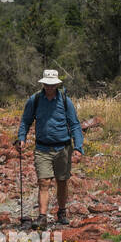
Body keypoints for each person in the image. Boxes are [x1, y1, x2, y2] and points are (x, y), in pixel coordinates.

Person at [15, 68, 83, 228]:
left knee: (62, 181)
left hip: (63, 148)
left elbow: (74, 124)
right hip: (42, 148)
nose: (50, 87)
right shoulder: (35, 99)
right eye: (47, 84)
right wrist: (21, 138)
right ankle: (42, 216)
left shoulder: (65, 101)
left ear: (57, 85)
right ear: (43, 84)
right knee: (43, 182)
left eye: (52, 85)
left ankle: (61, 211)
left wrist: (78, 147)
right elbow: (25, 121)